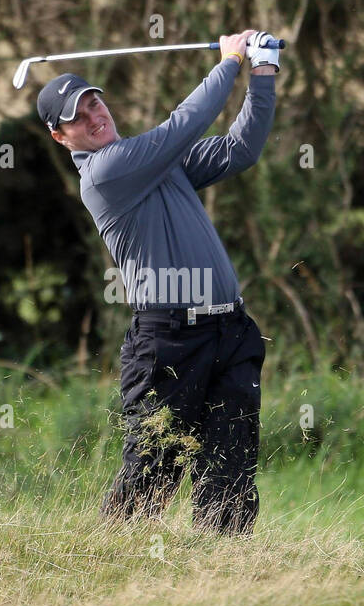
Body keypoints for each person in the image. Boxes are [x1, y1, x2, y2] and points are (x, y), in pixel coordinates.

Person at [38, 29, 279, 534]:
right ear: (61, 137)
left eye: (94, 103)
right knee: (152, 470)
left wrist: (262, 73)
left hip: (229, 332)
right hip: (170, 341)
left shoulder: (159, 163)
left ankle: (222, 564)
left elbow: (241, 150)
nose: (94, 117)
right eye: (77, 118)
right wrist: (230, 62)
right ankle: (108, 560)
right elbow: (182, 125)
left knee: (231, 469)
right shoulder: (105, 174)